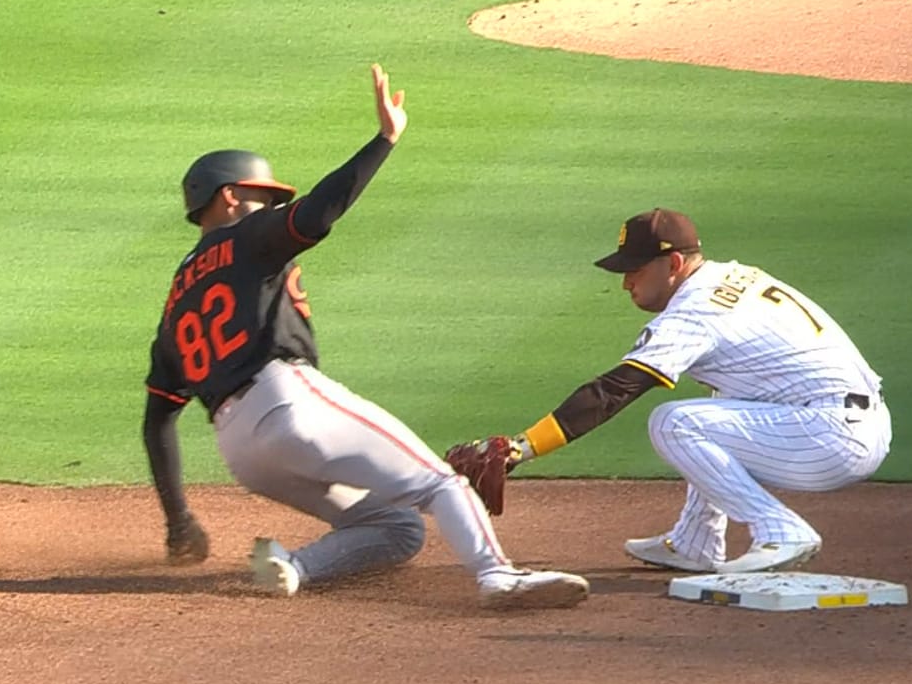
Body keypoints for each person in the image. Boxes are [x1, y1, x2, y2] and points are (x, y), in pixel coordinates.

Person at [140, 64, 588, 610]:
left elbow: (159, 416)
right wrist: (384, 140)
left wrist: (179, 519)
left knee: (399, 528)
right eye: (263, 196)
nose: (273, 207)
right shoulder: (248, 236)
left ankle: (293, 565)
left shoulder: (175, 301)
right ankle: (498, 577)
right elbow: (319, 213)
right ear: (230, 197)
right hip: (288, 404)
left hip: (242, 452)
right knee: (441, 483)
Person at [457, 208, 891, 574]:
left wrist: (519, 448)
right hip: (842, 420)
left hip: (829, 436)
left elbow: (615, 390)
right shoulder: (731, 277)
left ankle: (780, 530)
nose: (626, 283)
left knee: (674, 423)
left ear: (675, 266)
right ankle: (696, 540)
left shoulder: (696, 310)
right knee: (714, 409)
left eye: (635, 270)